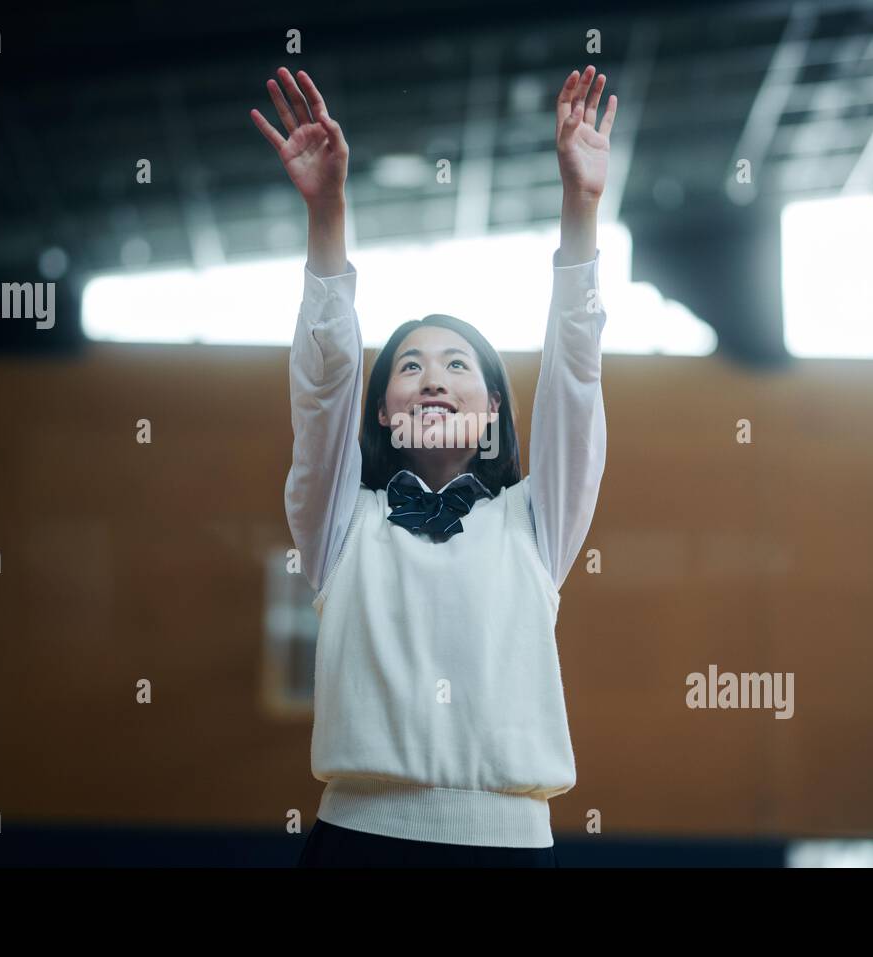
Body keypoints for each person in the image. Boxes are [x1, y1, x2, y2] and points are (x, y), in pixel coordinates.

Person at [251, 64, 615, 867]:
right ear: (383, 409)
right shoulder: (339, 521)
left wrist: (581, 206)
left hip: (511, 850)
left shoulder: (534, 522)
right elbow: (322, 389)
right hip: (358, 844)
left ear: (491, 408)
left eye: (458, 365)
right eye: (411, 365)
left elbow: (575, 379)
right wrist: (327, 215)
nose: (434, 378)